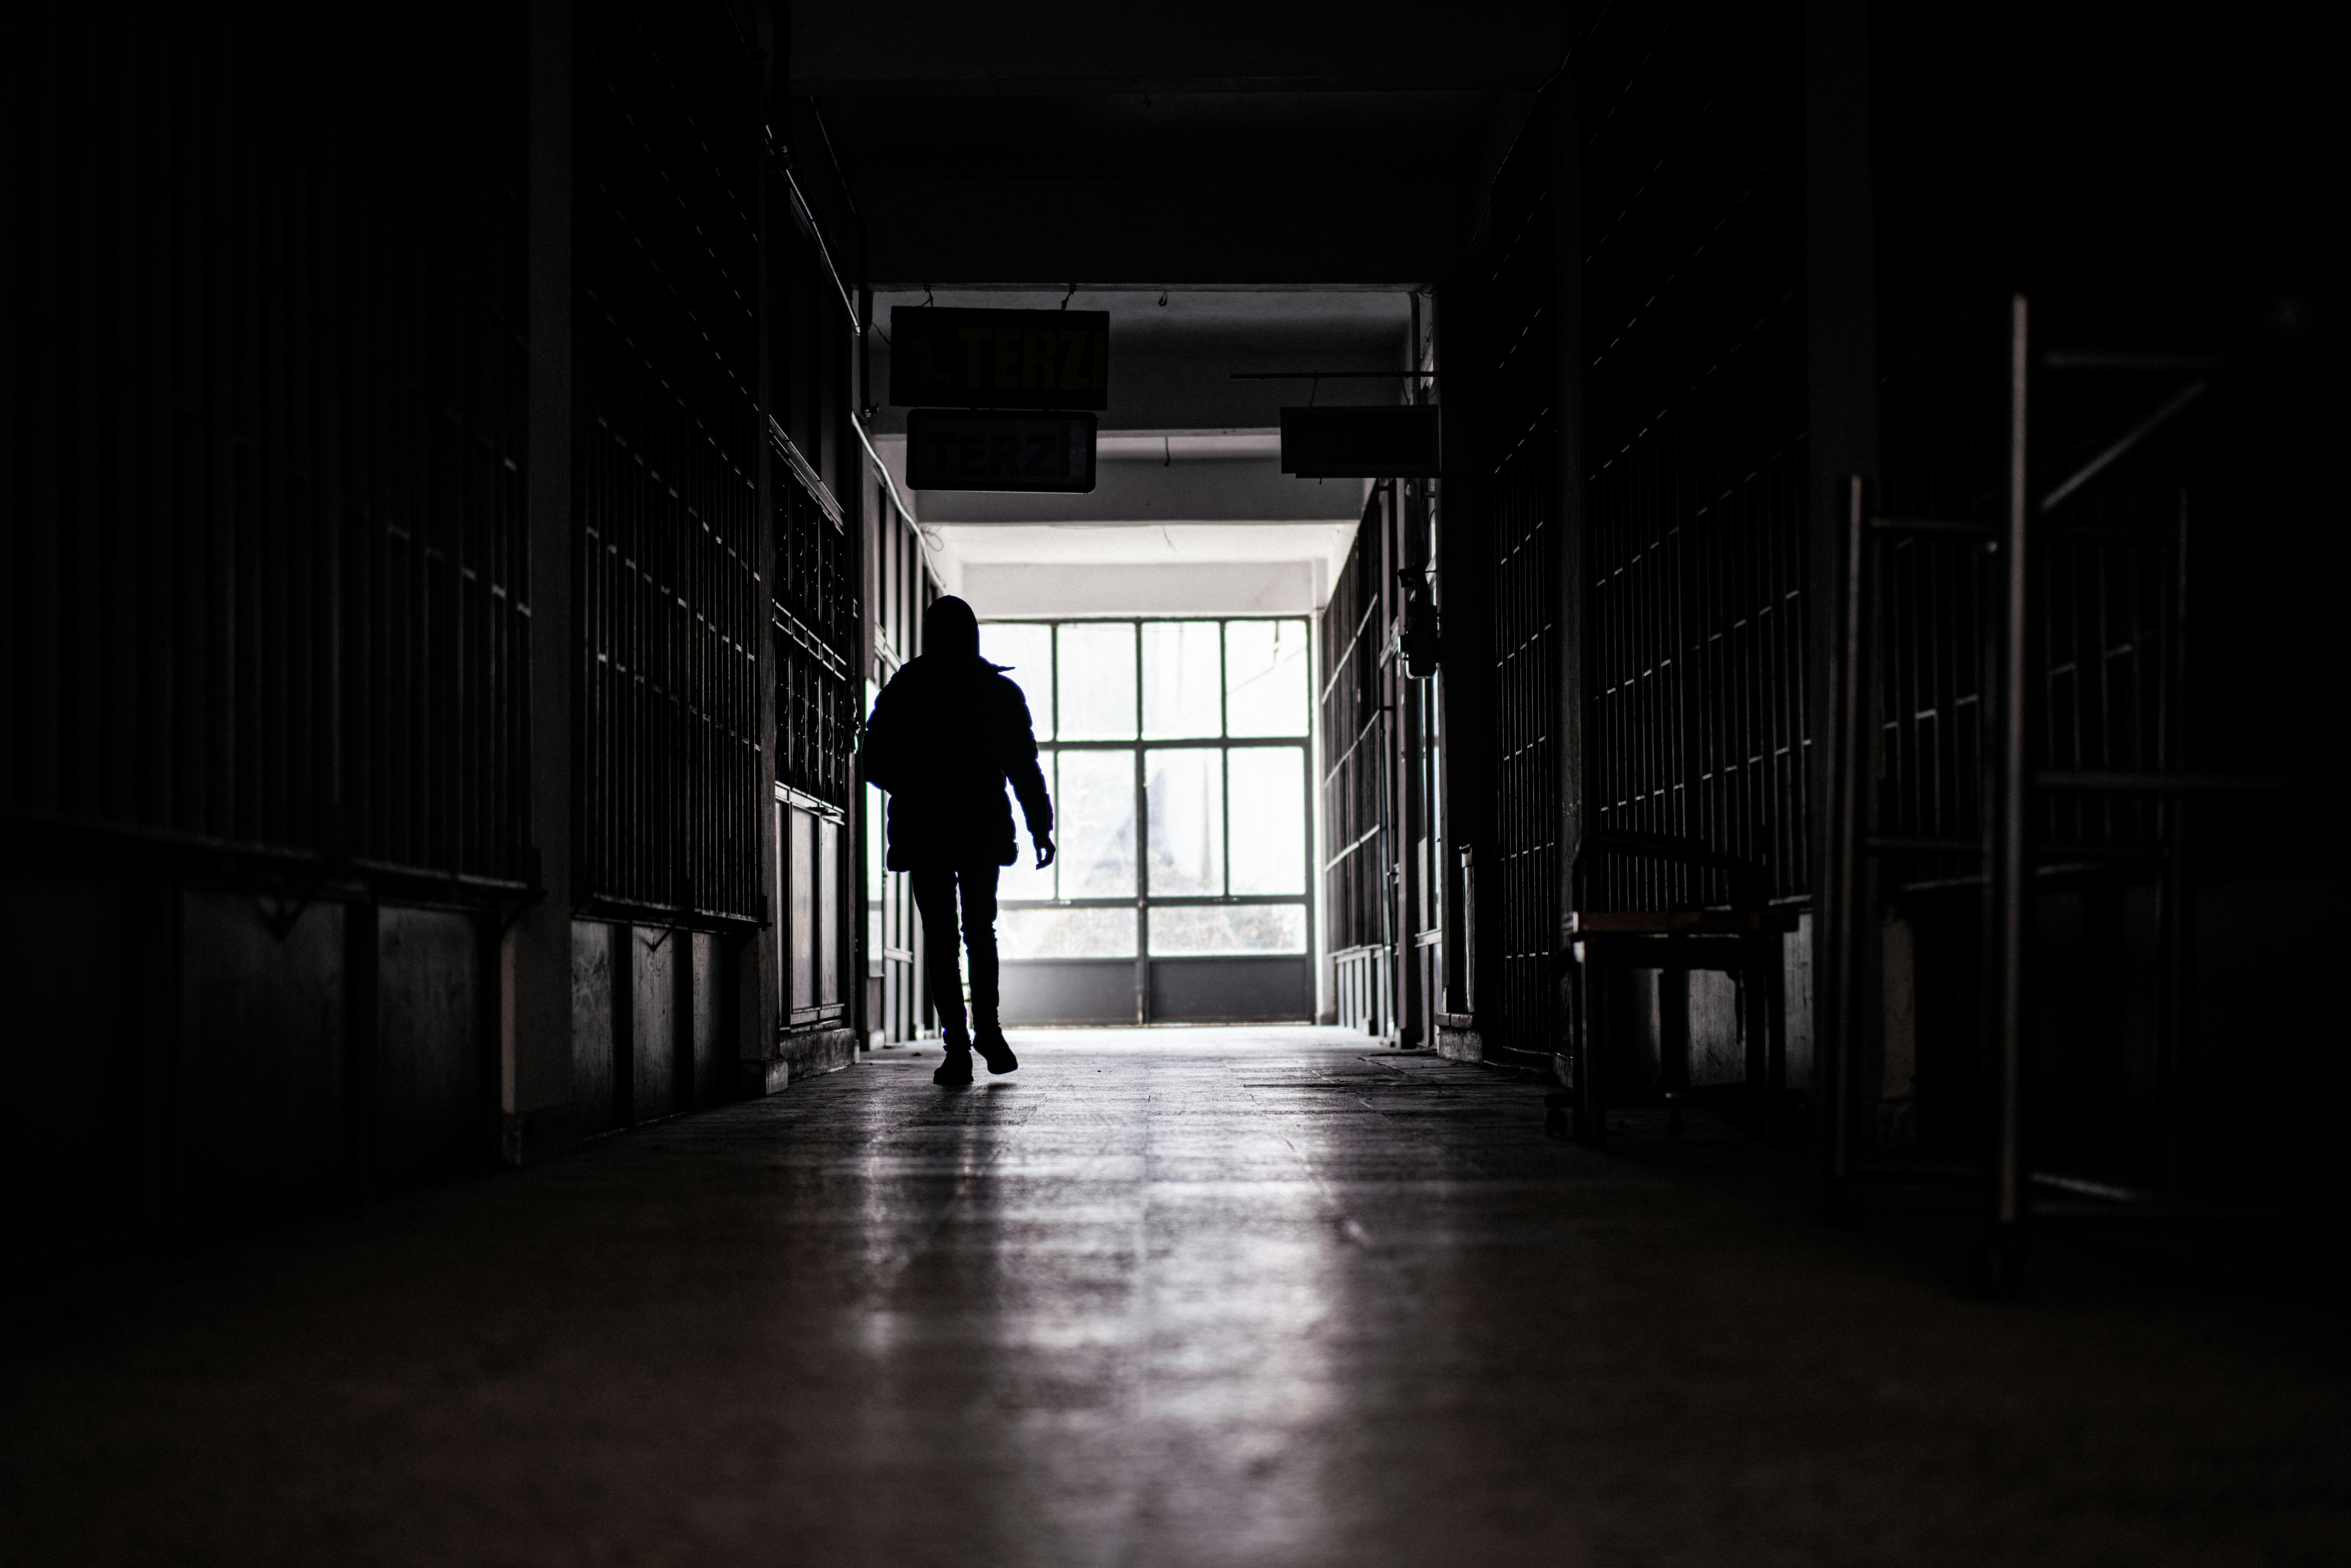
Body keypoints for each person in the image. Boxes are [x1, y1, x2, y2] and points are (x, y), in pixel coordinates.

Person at [862, 596, 1054, 1086]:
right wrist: (1040, 827)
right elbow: (1023, 766)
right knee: (979, 931)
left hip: (924, 828)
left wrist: (913, 783)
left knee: (942, 941)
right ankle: (988, 1031)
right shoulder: (996, 692)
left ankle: (957, 1049)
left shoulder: (907, 688)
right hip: (980, 827)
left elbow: (873, 761)